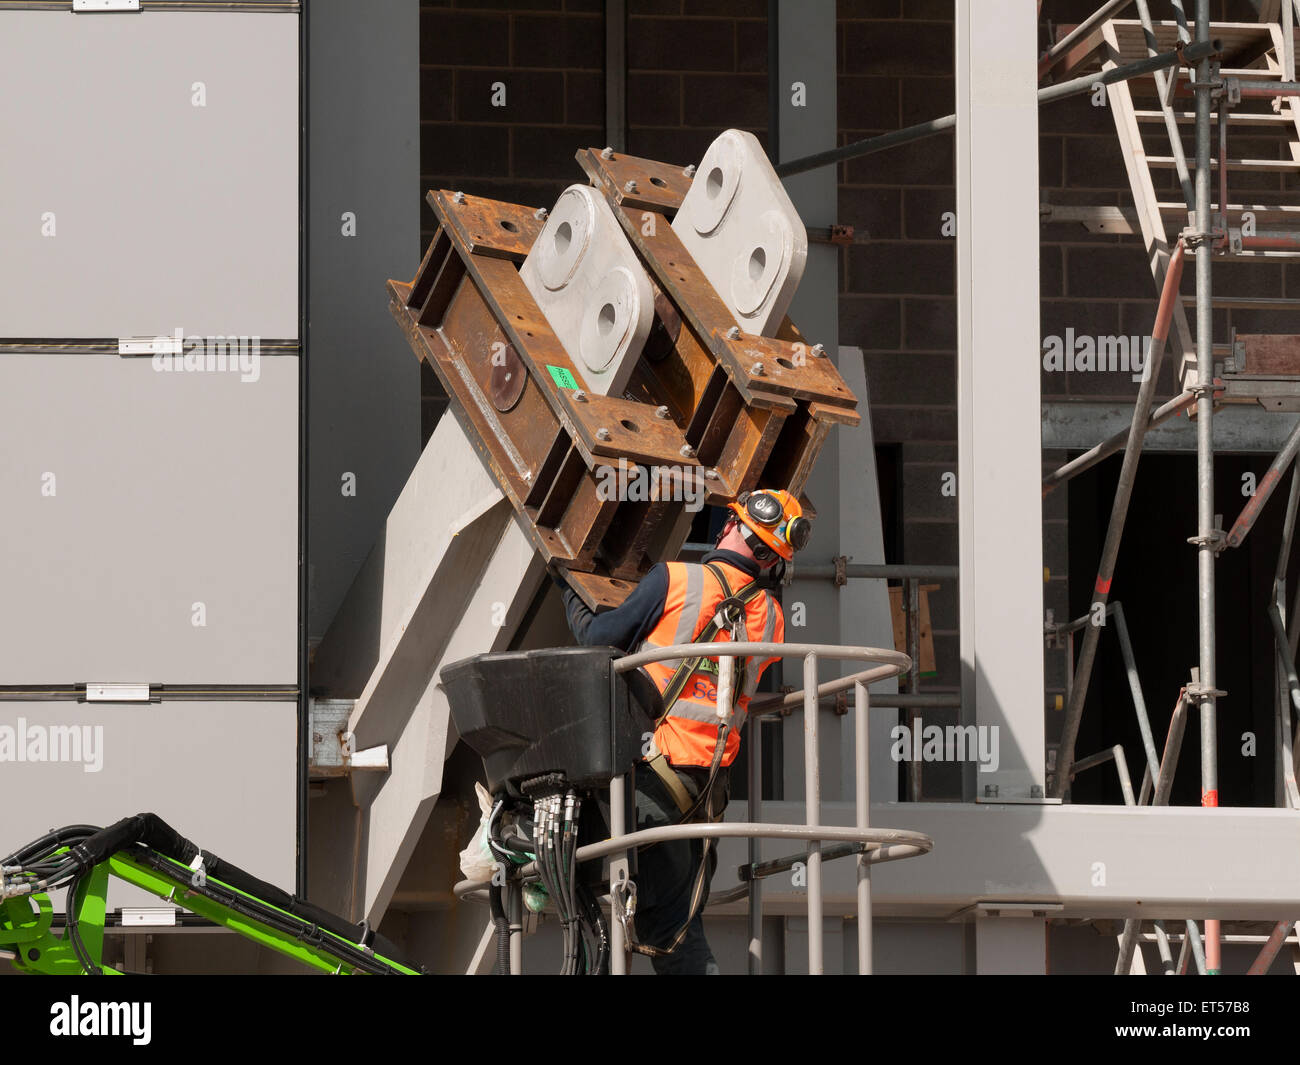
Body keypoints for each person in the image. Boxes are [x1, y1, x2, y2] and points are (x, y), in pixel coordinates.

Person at [553, 488, 811, 974]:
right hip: (705, 792)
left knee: (557, 856)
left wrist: (567, 584)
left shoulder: (676, 578)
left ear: (731, 526)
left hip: (652, 776)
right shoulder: (773, 617)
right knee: (673, 928)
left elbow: (597, 637)